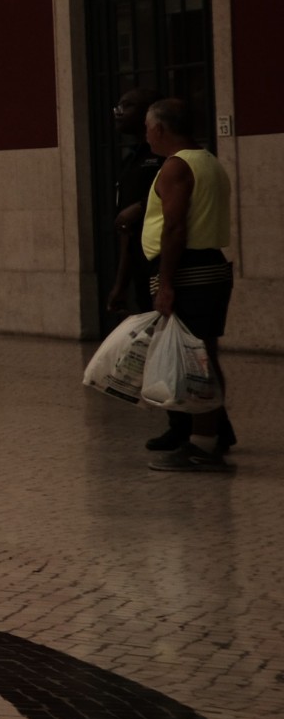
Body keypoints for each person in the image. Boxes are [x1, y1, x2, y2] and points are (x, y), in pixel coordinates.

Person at [142, 97, 237, 471]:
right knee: (205, 355)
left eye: (148, 127)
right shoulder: (208, 160)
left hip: (190, 271)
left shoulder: (176, 166)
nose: (146, 135)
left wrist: (165, 283)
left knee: (195, 360)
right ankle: (213, 433)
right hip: (208, 266)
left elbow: (176, 227)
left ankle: (202, 444)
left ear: (161, 128)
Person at [104, 86, 160, 319]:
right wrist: (121, 283)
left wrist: (141, 207)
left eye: (128, 106)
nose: (118, 112)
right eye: (118, 106)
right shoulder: (131, 160)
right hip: (140, 264)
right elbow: (126, 232)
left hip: (165, 262)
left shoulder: (166, 156)